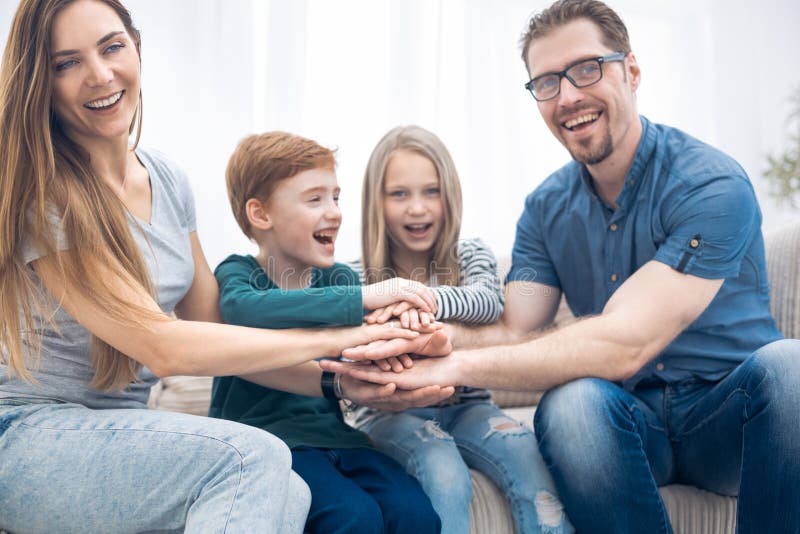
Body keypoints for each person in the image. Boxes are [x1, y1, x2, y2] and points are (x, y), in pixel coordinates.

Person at [321, 1, 800, 533]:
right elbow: (513, 329)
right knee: (573, 405)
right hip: (633, 425)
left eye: (587, 69)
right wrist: (433, 340)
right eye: (547, 82)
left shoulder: (710, 183)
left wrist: (452, 366)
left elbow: (626, 342)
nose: (568, 96)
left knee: (791, 367)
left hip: (729, 421)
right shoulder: (546, 208)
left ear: (632, 71)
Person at [0, 1, 446, 532]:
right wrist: (345, 332)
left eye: (111, 46)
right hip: (29, 434)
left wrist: (342, 384)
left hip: (122, 430)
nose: (99, 75)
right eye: (65, 63)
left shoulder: (166, 180)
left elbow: (218, 334)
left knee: (294, 489)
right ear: (40, 83)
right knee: (249, 456)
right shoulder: (45, 196)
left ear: (136, 48)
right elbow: (161, 345)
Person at [208, 131, 444, 534]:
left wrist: (405, 327)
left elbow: (370, 339)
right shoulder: (239, 274)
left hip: (341, 439)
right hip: (273, 444)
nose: (334, 211)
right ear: (260, 214)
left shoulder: (338, 278)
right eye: (315, 199)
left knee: (416, 514)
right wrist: (361, 299)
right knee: (353, 517)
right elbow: (244, 310)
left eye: (335, 197)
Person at [348, 125, 573, 534]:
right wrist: (393, 305)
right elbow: (351, 345)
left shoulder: (470, 254)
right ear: (376, 203)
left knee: (526, 452)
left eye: (431, 191)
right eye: (400, 194)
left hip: (470, 407)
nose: (418, 207)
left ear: (450, 194)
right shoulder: (355, 278)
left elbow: (489, 301)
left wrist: (417, 301)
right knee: (444, 471)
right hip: (389, 414)